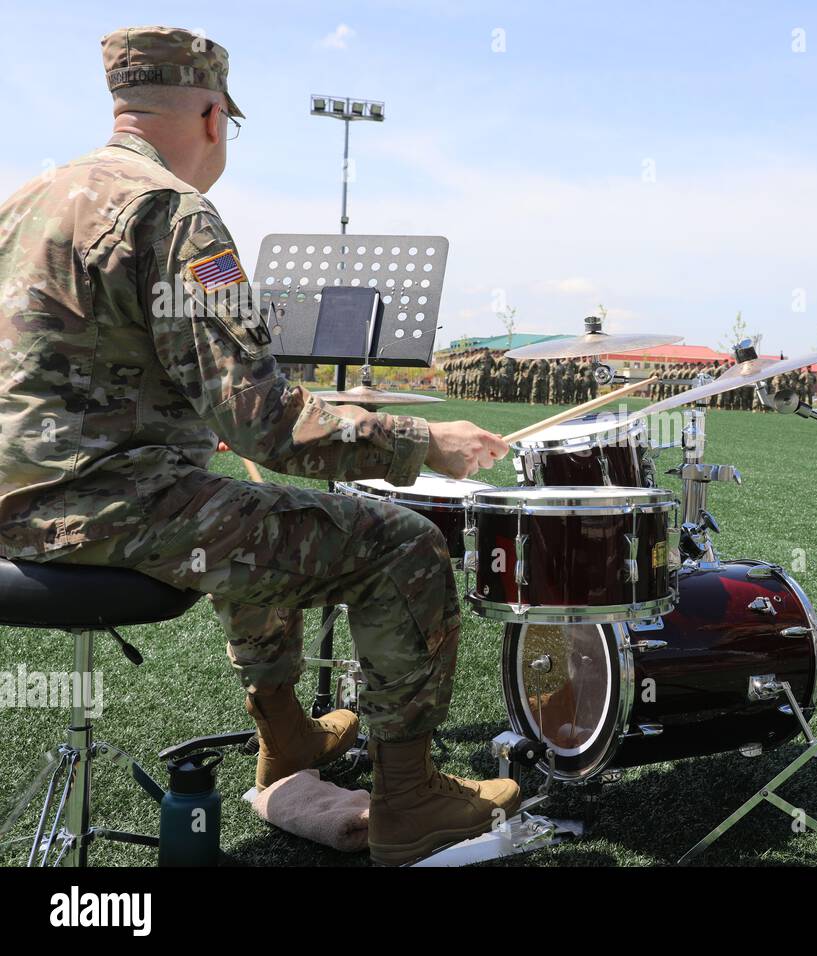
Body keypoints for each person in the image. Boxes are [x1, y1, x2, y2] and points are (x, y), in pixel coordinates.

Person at [0, 26, 519, 865]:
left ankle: (288, 737)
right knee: (403, 544)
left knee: (252, 515)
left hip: (15, 515)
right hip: (113, 515)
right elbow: (264, 424)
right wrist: (423, 440)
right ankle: (413, 799)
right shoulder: (173, 214)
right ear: (213, 117)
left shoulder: (24, 201)